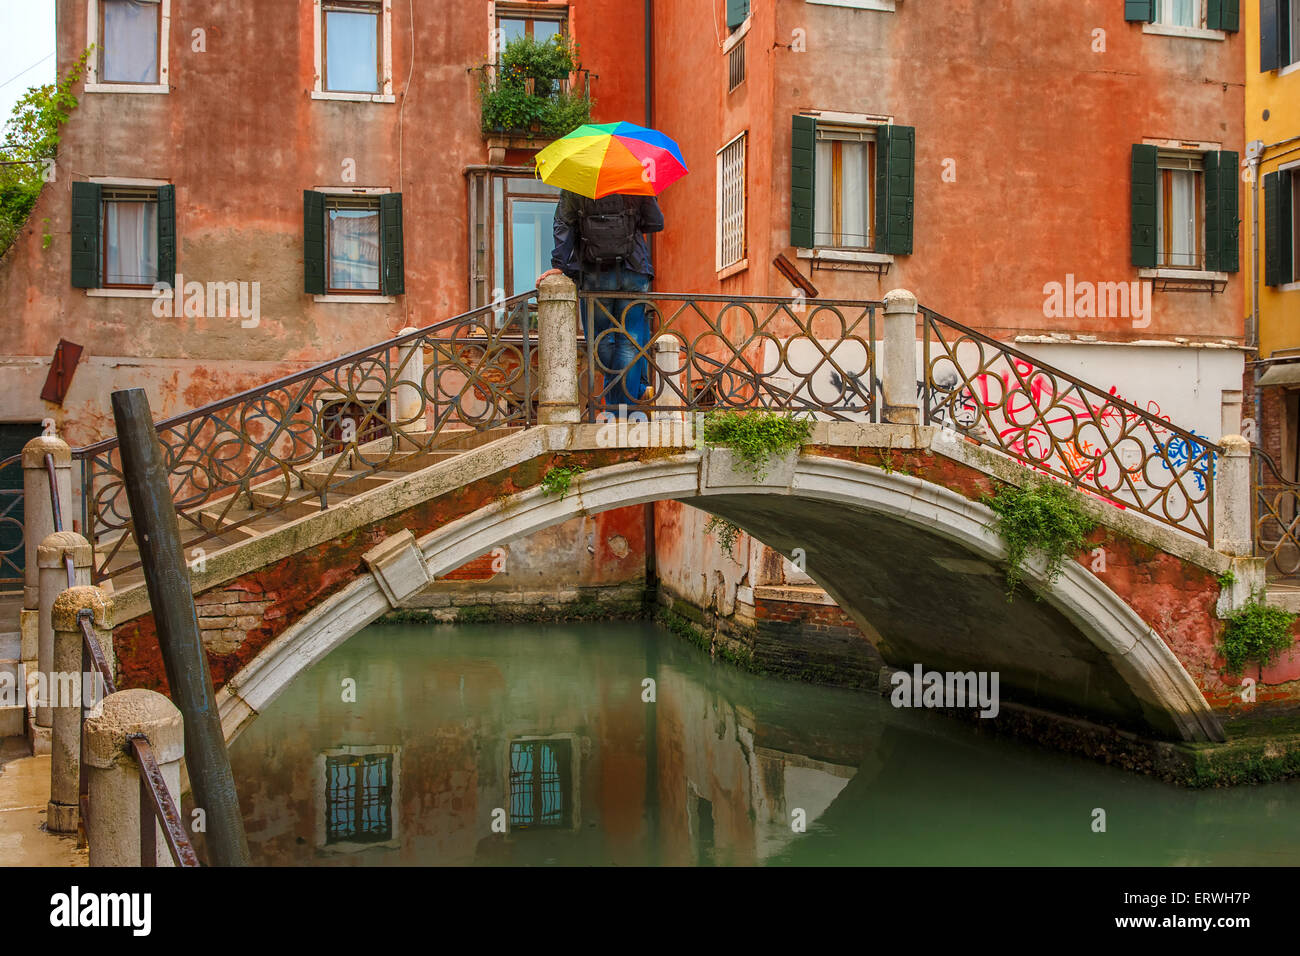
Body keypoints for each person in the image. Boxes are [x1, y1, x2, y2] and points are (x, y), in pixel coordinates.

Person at [539, 189, 664, 414]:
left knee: (600, 342)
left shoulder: (576, 183)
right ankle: (625, 406)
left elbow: (563, 225)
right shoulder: (634, 180)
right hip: (634, 270)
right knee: (630, 341)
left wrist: (560, 263)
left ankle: (618, 408)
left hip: (595, 273)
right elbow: (655, 222)